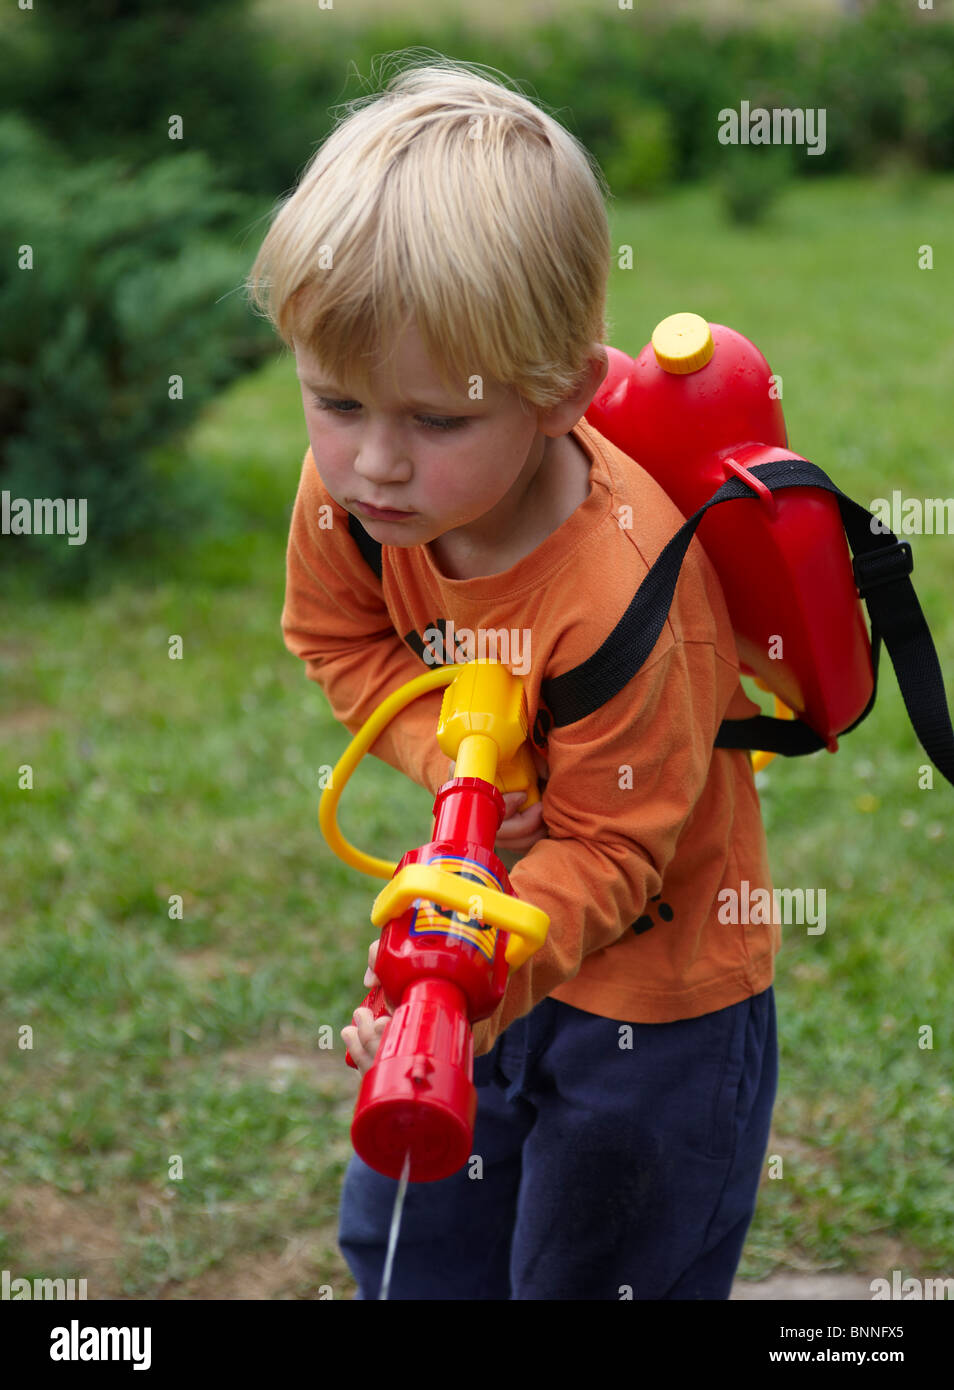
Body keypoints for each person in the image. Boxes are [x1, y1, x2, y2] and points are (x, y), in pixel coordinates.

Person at [246, 52, 779, 1300]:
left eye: (437, 423)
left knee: (596, 1274)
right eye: (334, 399)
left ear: (561, 397)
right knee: (412, 1251)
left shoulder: (623, 590)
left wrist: (464, 983)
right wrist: (451, 765)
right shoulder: (350, 496)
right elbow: (339, 640)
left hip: (656, 996)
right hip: (478, 937)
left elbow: (610, 849)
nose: (374, 463)